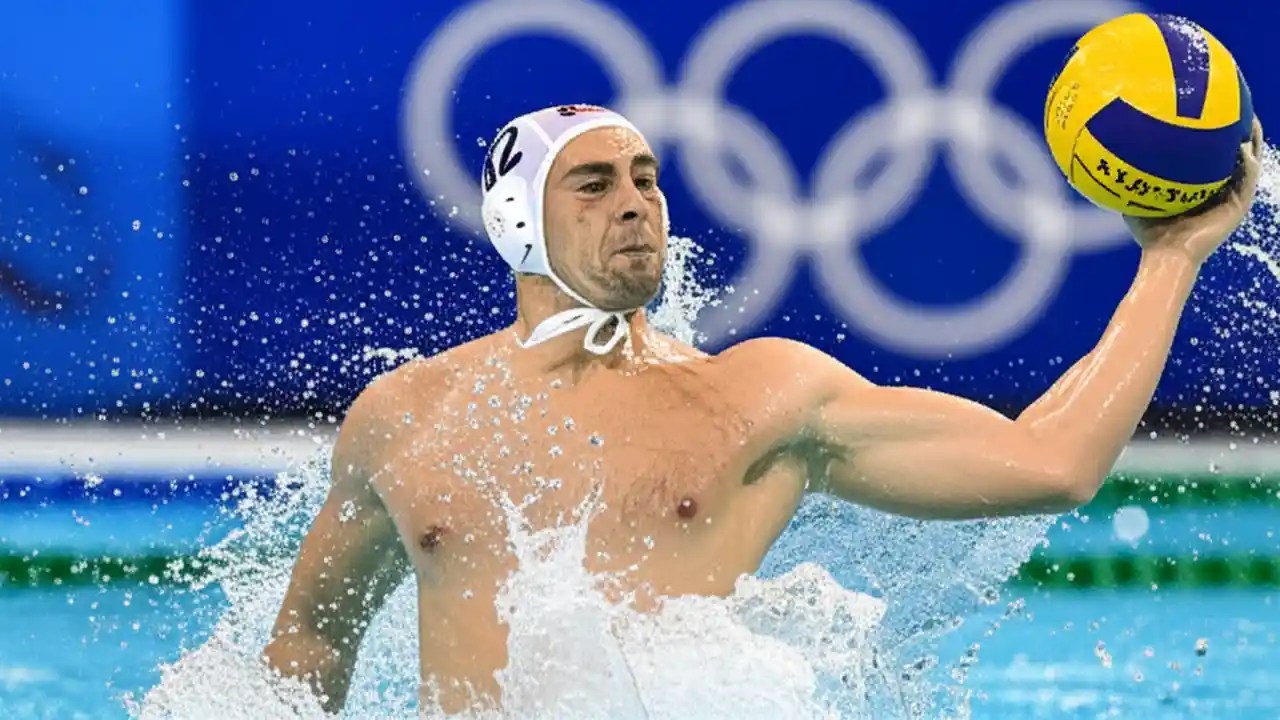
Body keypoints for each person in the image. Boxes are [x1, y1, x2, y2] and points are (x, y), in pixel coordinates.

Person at [261, 104, 1265, 714]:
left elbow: (1048, 462)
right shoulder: (405, 416)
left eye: (648, 180)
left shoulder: (755, 395)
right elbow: (307, 645)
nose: (636, 203)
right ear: (515, 219)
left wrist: (1168, 258)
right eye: (594, 183)